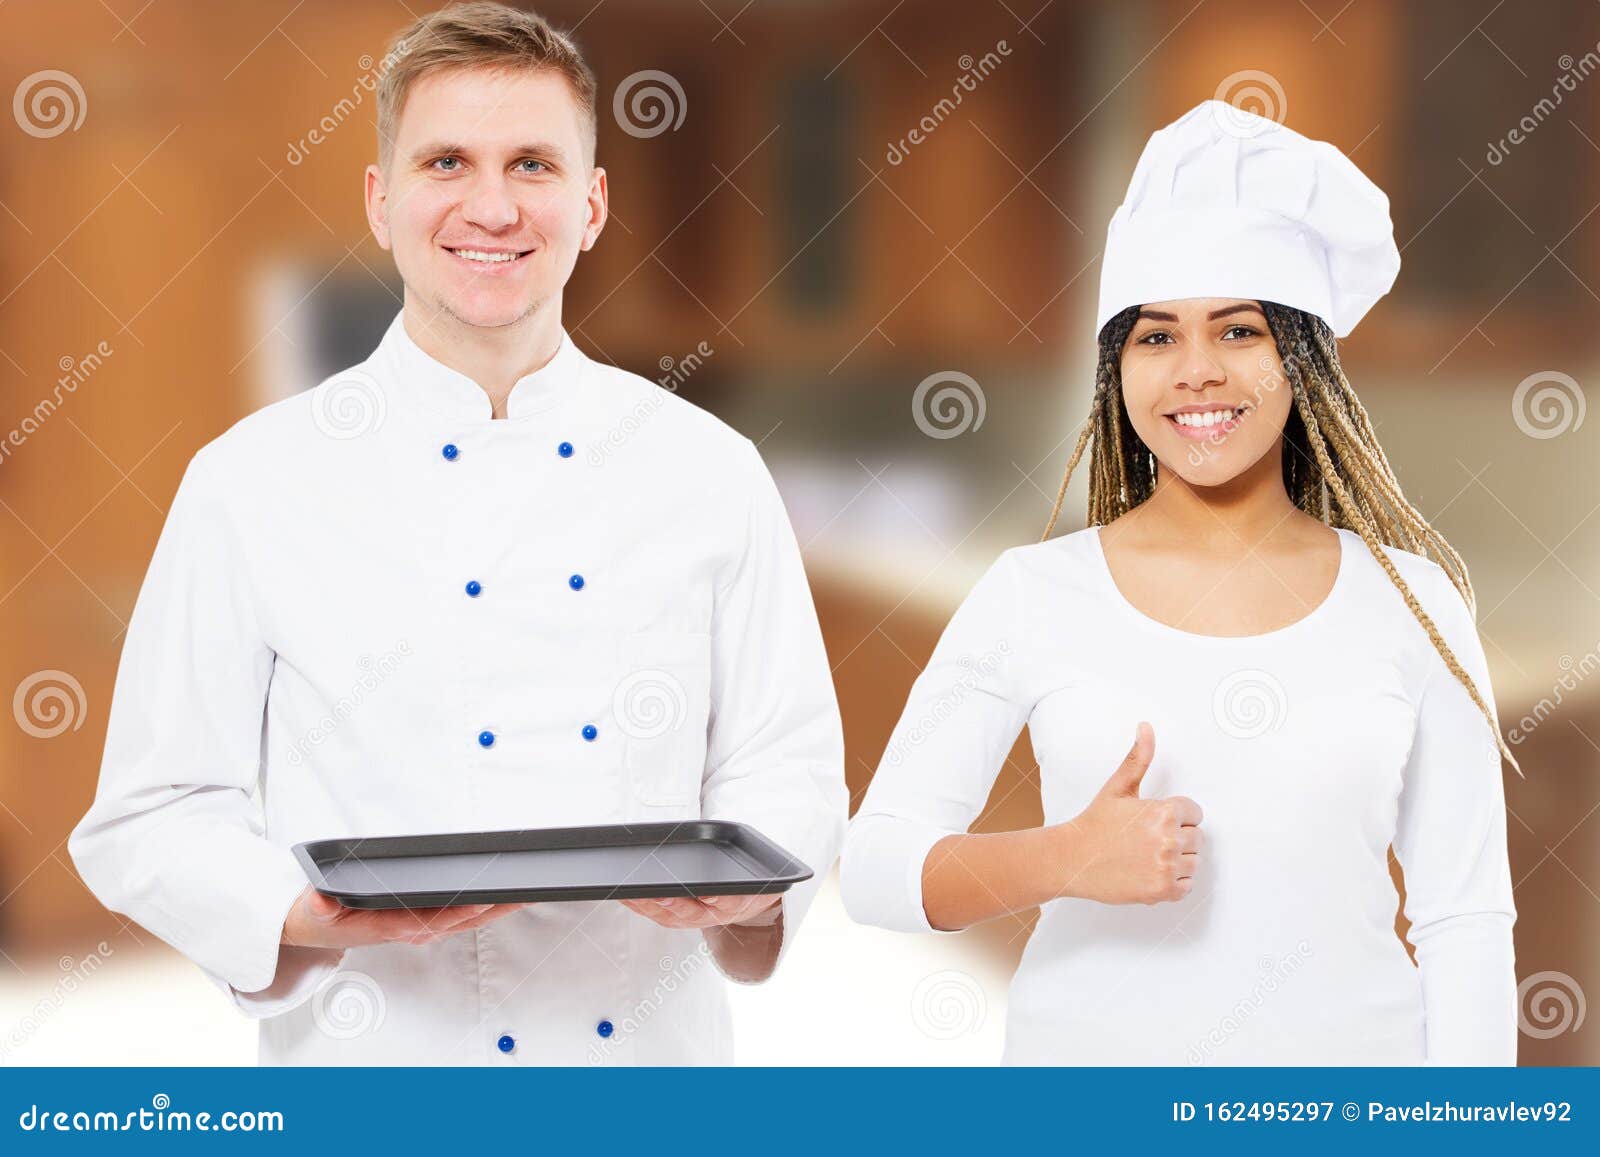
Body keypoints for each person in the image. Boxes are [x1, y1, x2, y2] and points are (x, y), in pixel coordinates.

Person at [69, 1, 845, 1066]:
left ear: (591, 203)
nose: (492, 205)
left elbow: (785, 761)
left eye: (533, 164)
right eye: (446, 162)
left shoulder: (708, 469)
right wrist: (297, 911)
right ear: (383, 204)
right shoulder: (250, 480)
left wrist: (740, 897)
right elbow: (148, 812)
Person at [840, 99, 1518, 1065]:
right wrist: (1065, 856)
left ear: (1302, 358)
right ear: (1119, 366)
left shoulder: (1412, 604)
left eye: (1238, 330)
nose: (1195, 371)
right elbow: (873, 866)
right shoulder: (1032, 593)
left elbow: (1466, 920)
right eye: (1155, 338)